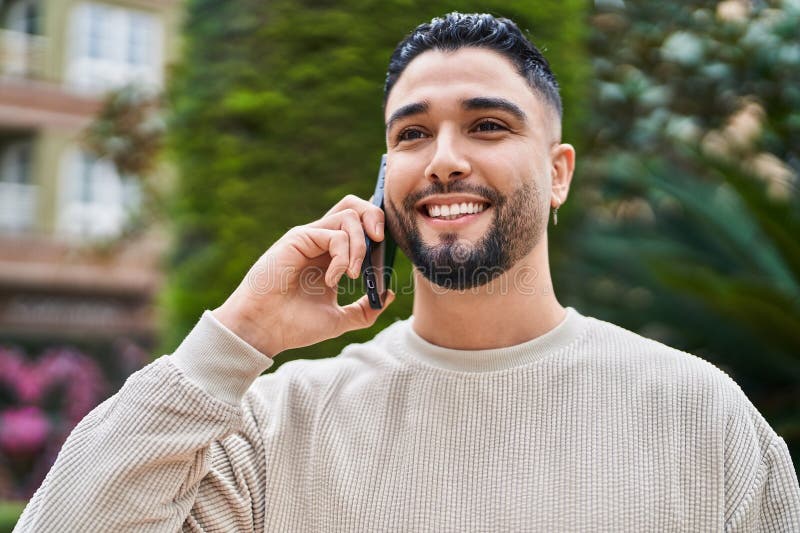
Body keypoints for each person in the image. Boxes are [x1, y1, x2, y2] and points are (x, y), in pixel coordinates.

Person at [15, 12, 800, 532]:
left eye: (487, 125)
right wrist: (237, 337)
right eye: (413, 133)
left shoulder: (703, 419)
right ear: (384, 171)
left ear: (559, 173)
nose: (446, 158)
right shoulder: (273, 426)